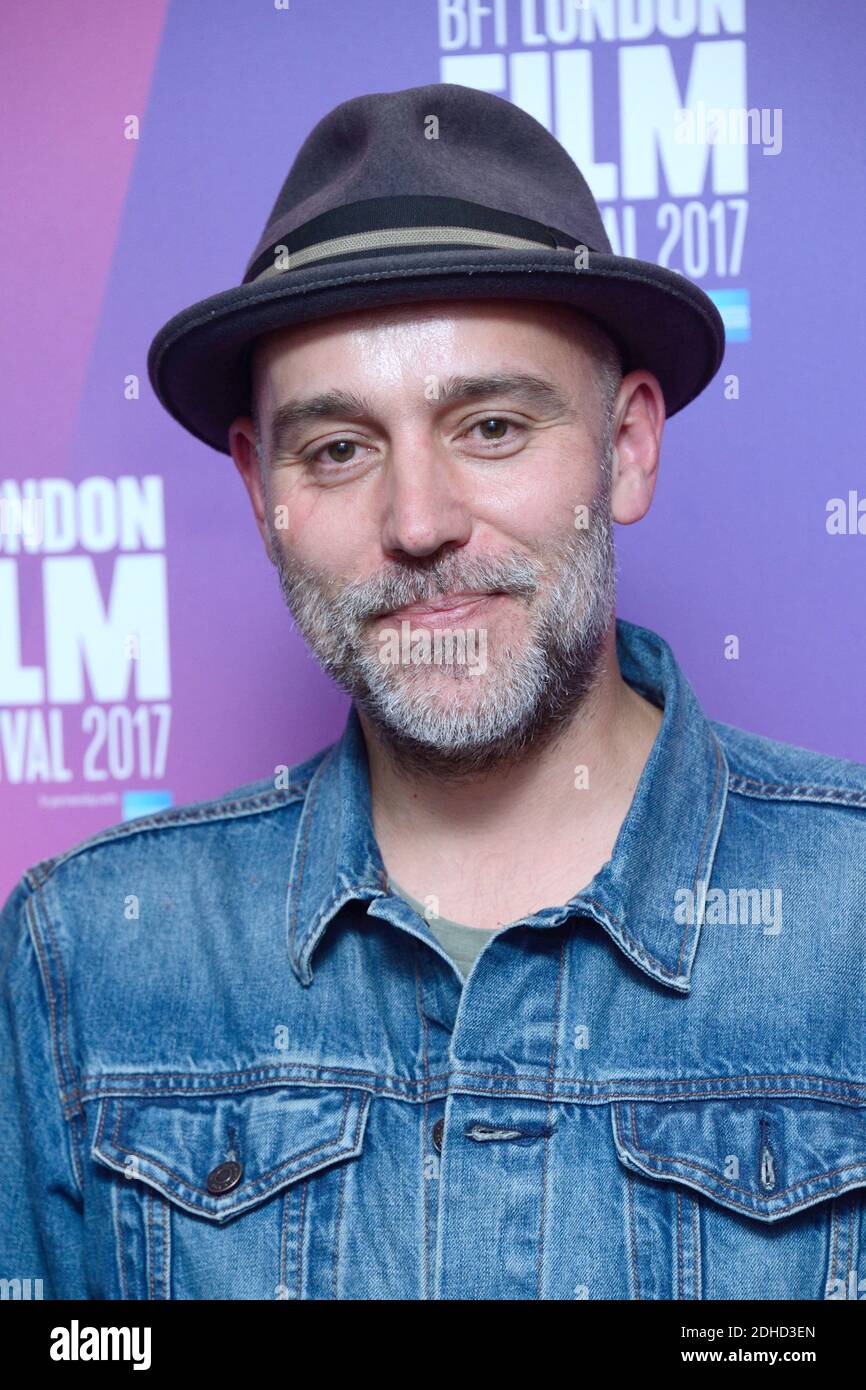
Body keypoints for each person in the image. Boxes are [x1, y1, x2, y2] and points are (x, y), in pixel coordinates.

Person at [1, 83, 864, 1303]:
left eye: (493, 426)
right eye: (338, 449)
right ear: (262, 493)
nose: (417, 523)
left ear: (624, 448)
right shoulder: (81, 960)